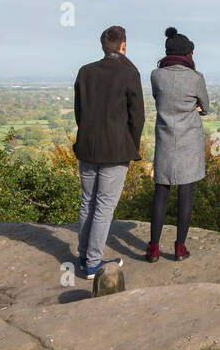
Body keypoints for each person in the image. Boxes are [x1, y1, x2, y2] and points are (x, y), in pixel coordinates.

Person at [72, 25, 144, 278]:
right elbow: (137, 117)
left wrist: (88, 135)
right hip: (115, 149)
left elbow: (79, 112)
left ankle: (83, 256)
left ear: (102, 46)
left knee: (87, 202)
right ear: (123, 45)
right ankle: (93, 263)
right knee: (103, 205)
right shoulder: (129, 73)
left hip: (87, 146)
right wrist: (131, 145)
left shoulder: (85, 71)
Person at [146, 26, 209, 261]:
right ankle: (180, 249)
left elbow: (159, 99)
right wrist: (195, 108)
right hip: (189, 142)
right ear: (188, 55)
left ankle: (153, 249)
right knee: (186, 193)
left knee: (160, 192)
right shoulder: (196, 78)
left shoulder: (156, 75)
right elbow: (206, 106)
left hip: (164, 139)